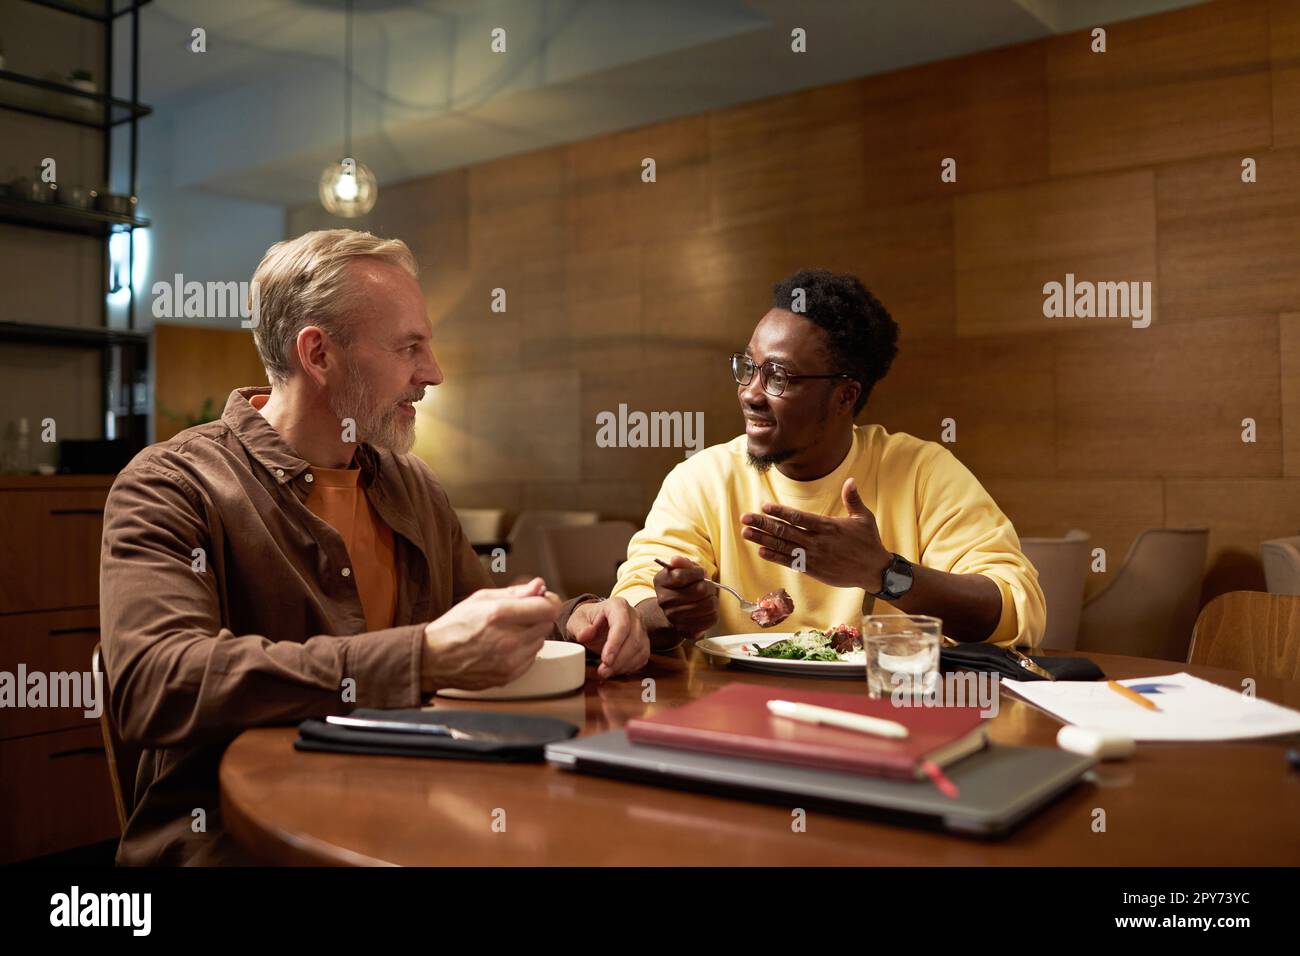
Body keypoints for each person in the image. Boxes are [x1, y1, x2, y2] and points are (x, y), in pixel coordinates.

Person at [99, 229, 649, 864]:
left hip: (410, 803)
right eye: (409, 347)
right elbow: (155, 684)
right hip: (238, 839)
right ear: (318, 353)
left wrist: (572, 617)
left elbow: (478, 604)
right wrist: (419, 658)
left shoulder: (409, 482)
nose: (433, 374)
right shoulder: (173, 484)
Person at [610, 268, 1045, 651]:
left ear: (844, 396)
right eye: (748, 367)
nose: (750, 393)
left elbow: (1014, 609)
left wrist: (884, 573)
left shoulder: (921, 471)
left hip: (887, 716)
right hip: (735, 717)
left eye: (777, 376)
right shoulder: (702, 479)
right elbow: (633, 599)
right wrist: (670, 612)